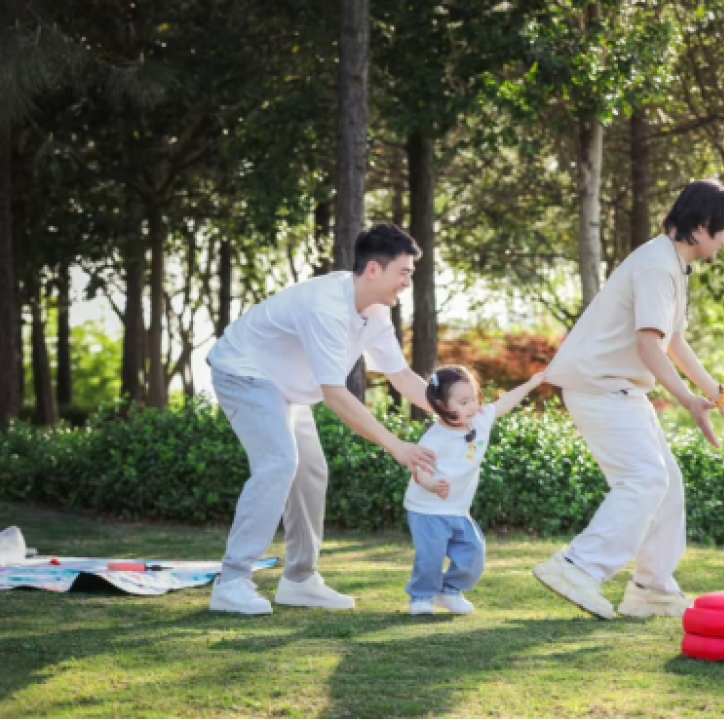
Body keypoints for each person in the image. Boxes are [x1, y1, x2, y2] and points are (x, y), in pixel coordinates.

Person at [534, 179, 724, 620]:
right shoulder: (655, 265)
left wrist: (715, 394)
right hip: (600, 385)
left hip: (619, 388)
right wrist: (687, 400)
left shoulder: (672, 264)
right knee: (645, 480)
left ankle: (651, 587)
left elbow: (675, 341)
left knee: (666, 485)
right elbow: (649, 345)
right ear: (703, 225)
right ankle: (578, 567)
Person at [206, 224, 437, 615]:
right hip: (243, 371)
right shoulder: (326, 306)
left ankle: (300, 579)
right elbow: (336, 396)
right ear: (374, 270)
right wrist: (398, 447)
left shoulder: (376, 314)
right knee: (279, 462)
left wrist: (454, 412)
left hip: (286, 389)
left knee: (311, 472)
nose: (406, 283)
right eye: (404, 273)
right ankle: (232, 581)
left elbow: (401, 378)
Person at [405, 366, 546, 615]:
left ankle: (449, 592)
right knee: (431, 558)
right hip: (428, 509)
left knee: (473, 552)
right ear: (441, 404)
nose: (472, 406)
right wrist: (432, 485)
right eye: (463, 401)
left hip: (458, 508)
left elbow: (505, 403)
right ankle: (422, 597)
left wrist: (532, 382)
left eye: (474, 399)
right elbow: (419, 470)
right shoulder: (434, 438)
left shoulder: (479, 420)